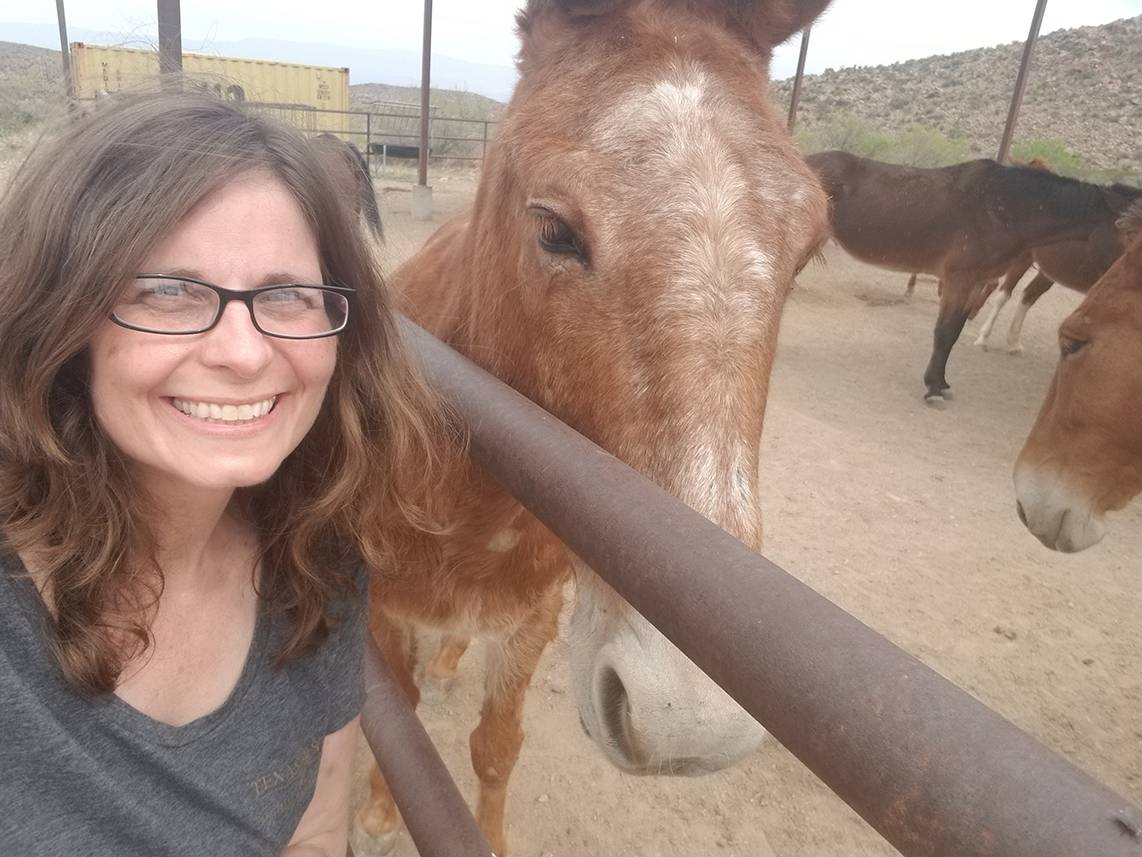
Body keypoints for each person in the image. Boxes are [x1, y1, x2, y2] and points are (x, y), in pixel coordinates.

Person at [0, 88, 449, 856]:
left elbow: (312, 827)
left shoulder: (320, 562)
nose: (243, 352)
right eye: (169, 291)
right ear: (63, 316)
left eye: (286, 294)